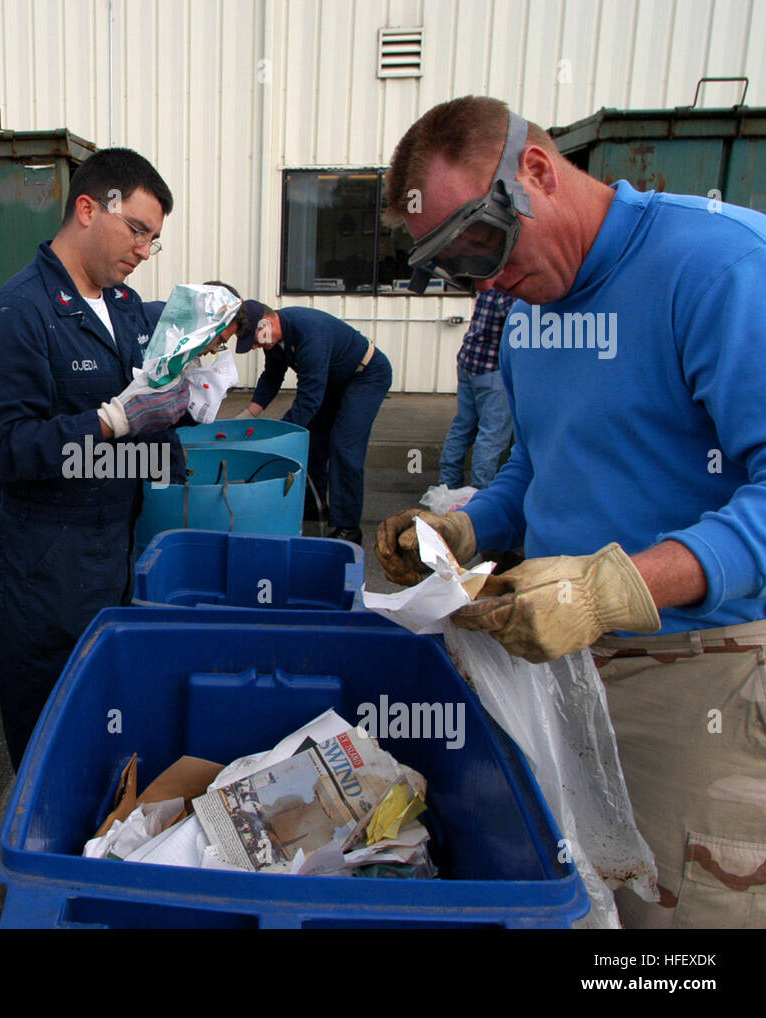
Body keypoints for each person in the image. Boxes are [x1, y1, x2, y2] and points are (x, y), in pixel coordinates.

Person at [375, 95, 766, 928]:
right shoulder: (528, 308)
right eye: (454, 267)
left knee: (673, 929)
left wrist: (618, 589)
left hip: (704, 674)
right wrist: (466, 527)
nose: (483, 279)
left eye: (482, 241)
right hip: (563, 671)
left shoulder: (719, 268)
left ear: (538, 172)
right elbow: (539, 465)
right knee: (582, 908)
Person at [0, 148, 185, 768]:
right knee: (52, 742)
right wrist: (111, 420)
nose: (145, 250)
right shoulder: (20, 314)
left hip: (112, 547)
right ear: (88, 209)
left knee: (101, 729)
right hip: (48, 568)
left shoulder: (120, 305)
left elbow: (138, 420)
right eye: (138, 230)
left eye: (154, 239)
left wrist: (182, 404)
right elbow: (6, 451)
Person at [233, 302, 392, 544]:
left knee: (344, 445)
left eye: (255, 340)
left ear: (268, 322)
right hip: (332, 380)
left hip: (366, 376)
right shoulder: (273, 338)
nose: (255, 346)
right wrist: (248, 414)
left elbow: (309, 399)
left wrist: (278, 437)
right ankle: (314, 503)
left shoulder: (309, 331)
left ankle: (348, 526)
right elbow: (272, 376)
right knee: (315, 439)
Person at [438, 288, 515, 490]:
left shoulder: (489, 282)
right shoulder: (510, 291)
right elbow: (521, 323)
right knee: (492, 436)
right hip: (492, 369)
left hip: (468, 362)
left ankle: (447, 487)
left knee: (463, 427)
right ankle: (480, 496)